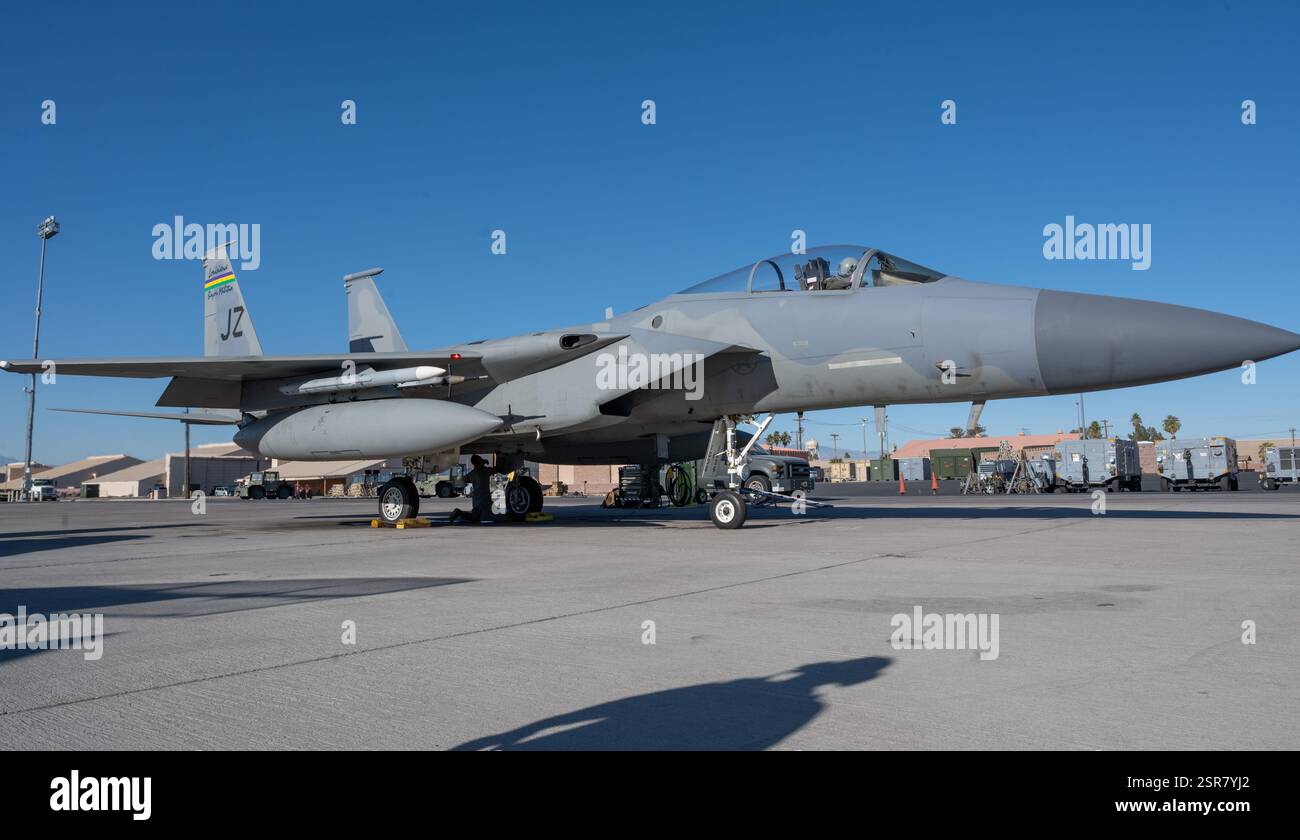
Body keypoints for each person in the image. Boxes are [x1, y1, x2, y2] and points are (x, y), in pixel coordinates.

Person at [449, 455, 494, 524]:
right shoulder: (485, 471)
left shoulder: (472, 474)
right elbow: (497, 469)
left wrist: (454, 479)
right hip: (483, 500)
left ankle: (458, 512)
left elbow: (462, 480)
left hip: (477, 499)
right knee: (480, 517)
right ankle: (458, 512)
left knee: (476, 518)